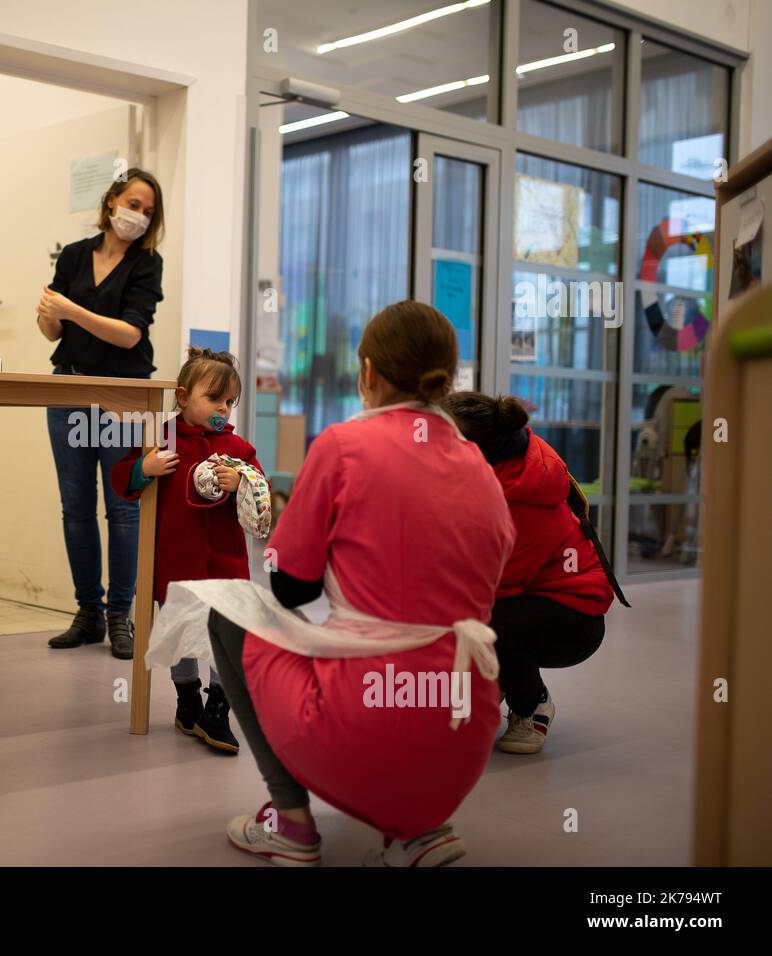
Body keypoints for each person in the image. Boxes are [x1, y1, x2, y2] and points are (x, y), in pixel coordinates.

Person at [162, 301, 514, 866]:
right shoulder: (477, 462)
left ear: (368, 374)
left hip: (361, 729)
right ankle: (420, 831)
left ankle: (292, 824)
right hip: (465, 724)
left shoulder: (343, 447)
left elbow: (289, 588)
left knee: (231, 610)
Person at [441, 392, 623, 754]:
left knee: (475, 620)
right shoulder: (502, 464)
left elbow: (496, 585)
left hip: (573, 619)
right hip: (532, 598)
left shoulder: (517, 498)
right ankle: (492, 688)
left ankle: (532, 705)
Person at [109, 348, 268, 754]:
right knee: (183, 631)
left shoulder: (240, 448)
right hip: (177, 559)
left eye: (230, 401)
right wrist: (144, 470)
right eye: (214, 398)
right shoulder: (160, 436)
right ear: (182, 396)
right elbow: (120, 480)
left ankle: (218, 708)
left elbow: (260, 495)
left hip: (226, 561)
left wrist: (242, 484)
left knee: (226, 634)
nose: (224, 408)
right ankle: (187, 702)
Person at [36, 169, 165, 660]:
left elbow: (130, 334)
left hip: (123, 392)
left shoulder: (146, 265)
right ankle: (87, 613)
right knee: (75, 505)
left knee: (123, 506)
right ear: (111, 201)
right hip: (69, 384)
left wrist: (71, 310)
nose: (138, 215)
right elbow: (52, 332)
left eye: (148, 211)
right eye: (133, 203)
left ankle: (119, 617)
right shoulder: (73, 255)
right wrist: (50, 313)